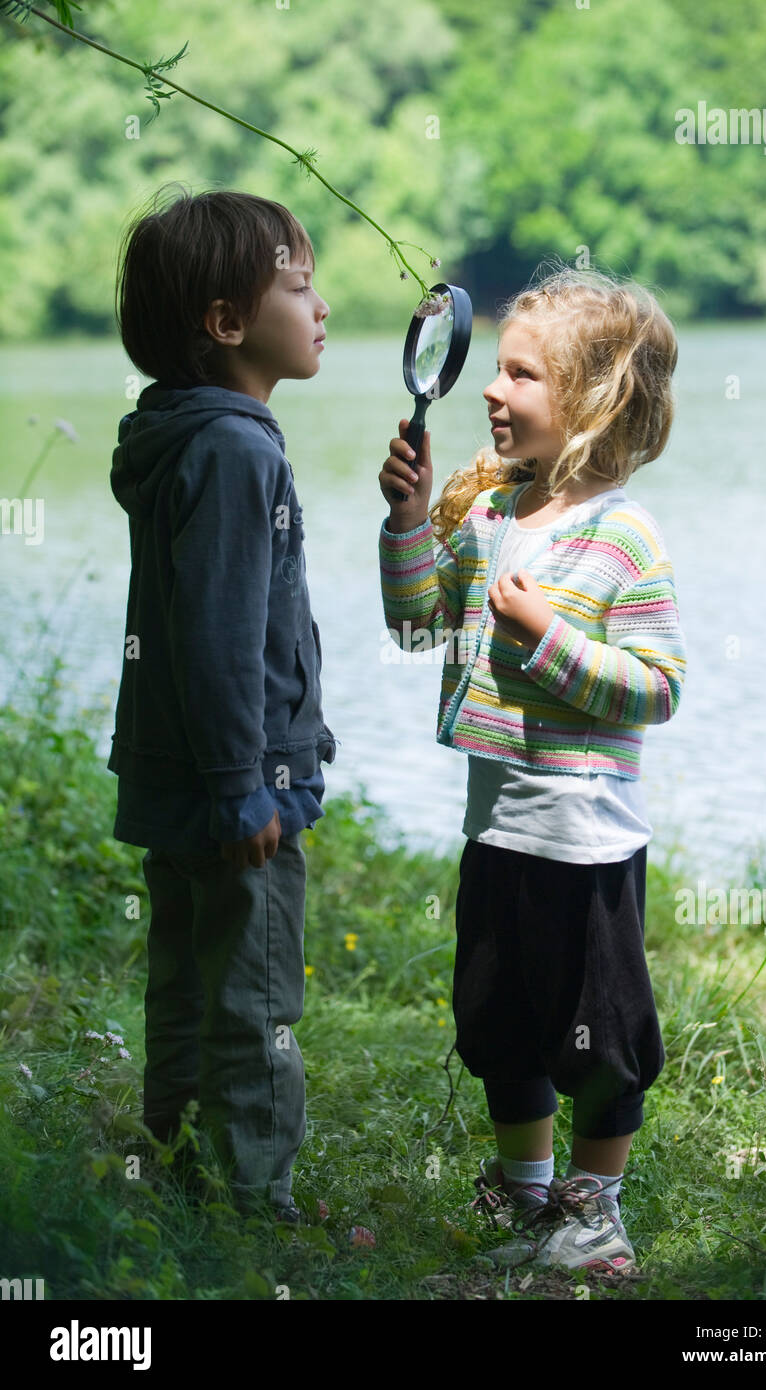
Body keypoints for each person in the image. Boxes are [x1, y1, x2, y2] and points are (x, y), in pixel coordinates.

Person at [378, 264, 686, 1271]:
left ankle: (597, 1218)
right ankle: (528, 1203)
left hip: (584, 840)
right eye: (496, 370)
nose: (493, 392)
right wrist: (406, 524)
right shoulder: (488, 517)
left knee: (600, 1036)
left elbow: (657, 687)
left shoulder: (624, 538)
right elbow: (419, 625)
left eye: (521, 376)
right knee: (498, 1023)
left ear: (592, 403)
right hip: (496, 830)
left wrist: (549, 636)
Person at [107, 184, 337, 1221]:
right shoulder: (240, 449)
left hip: (175, 768)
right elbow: (218, 636)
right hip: (239, 784)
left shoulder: (182, 435)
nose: (321, 304)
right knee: (254, 998)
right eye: (301, 283)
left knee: (187, 984)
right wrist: (243, 784)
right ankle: (254, 1212)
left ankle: (183, 1175)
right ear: (227, 324)